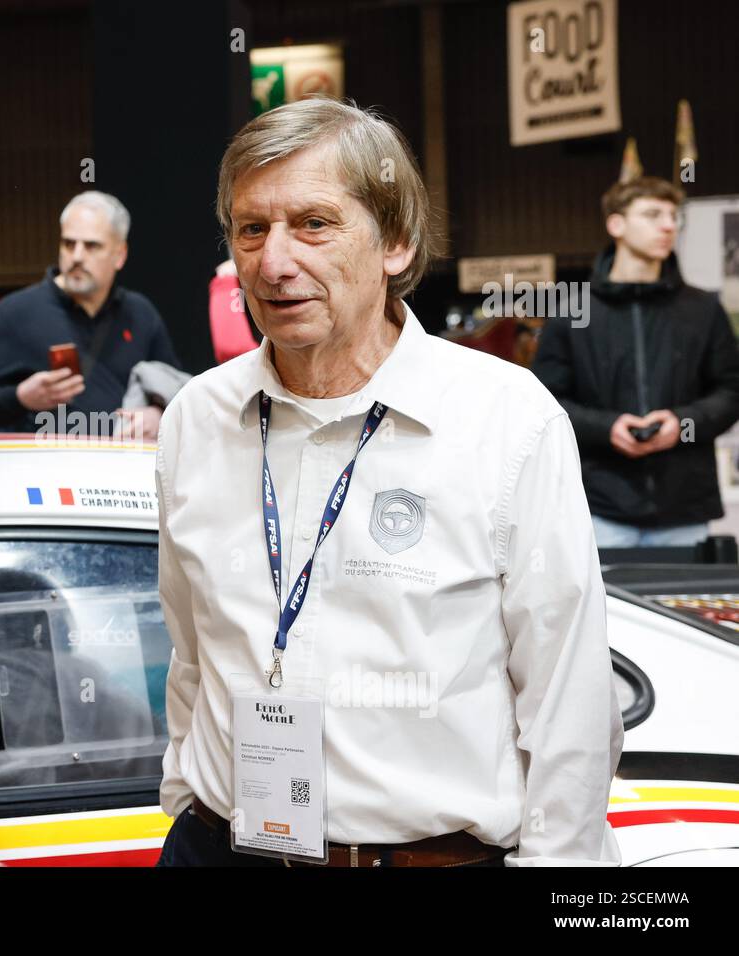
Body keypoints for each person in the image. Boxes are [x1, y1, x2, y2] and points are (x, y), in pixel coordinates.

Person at [154, 97, 622, 866]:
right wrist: (187, 801)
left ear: (396, 242)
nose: (273, 263)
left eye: (314, 223)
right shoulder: (198, 418)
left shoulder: (503, 418)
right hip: (220, 846)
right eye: (251, 228)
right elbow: (191, 650)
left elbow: (568, 694)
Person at [532, 176, 739, 548]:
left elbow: (731, 390)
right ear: (617, 224)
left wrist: (682, 423)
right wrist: (607, 428)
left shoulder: (703, 309)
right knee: (603, 609)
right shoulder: (572, 313)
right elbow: (544, 403)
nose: (668, 225)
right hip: (599, 509)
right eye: (652, 214)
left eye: (674, 216)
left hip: (684, 513)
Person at [0, 190, 180, 438]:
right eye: (68, 244)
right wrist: (21, 397)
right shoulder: (16, 311)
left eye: (91, 246)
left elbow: (176, 390)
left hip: (122, 467)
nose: (76, 256)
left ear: (120, 255)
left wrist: (158, 412)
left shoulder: (140, 313)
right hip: (43, 470)